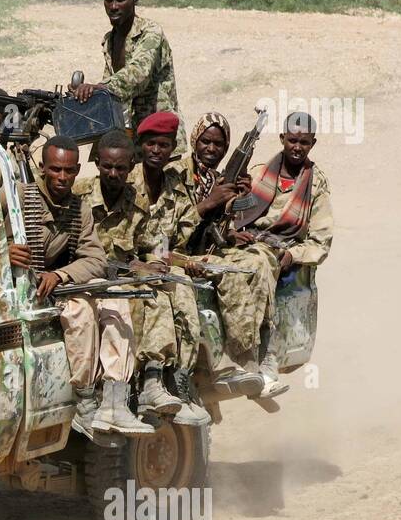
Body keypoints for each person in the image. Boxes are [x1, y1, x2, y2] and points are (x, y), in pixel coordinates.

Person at [7, 135, 150, 437]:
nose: (62, 177)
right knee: (81, 310)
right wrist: (1, 250)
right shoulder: (19, 198)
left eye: (69, 171)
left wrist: (60, 275)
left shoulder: (78, 209)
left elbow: (96, 259)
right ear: (43, 168)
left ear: (78, 170)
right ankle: (86, 401)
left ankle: (115, 399)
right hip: (18, 294)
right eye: (55, 170)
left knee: (115, 293)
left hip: (54, 288)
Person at [233, 110, 334, 392]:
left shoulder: (316, 185)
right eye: (292, 140)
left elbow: (321, 241)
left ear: (312, 144)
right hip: (247, 243)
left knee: (260, 268)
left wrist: (293, 256)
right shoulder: (258, 174)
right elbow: (236, 214)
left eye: (304, 142)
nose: (297, 147)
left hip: (281, 251)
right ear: (282, 139)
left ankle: (267, 357)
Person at [183, 112, 278, 397]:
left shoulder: (217, 176)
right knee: (232, 276)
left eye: (219, 145)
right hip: (182, 250)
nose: (211, 149)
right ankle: (235, 357)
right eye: (205, 142)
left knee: (259, 262)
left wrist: (236, 200)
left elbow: (219, 224)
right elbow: (177, 221)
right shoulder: (181, 175)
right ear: (194, 141)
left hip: (212, 247)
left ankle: (262, 351)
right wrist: (212, 201)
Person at [126, 111, 211, 426]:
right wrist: (148, 260)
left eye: (163, 145)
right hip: (126, 262)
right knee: (156, 290)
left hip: (159, 262)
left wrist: (176, 259)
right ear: (141, 145)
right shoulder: (127, 179)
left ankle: (181, 380)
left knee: (184, 290)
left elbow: (180, 231)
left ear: (172, 146)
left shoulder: (174, 184)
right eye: (150, 144)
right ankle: (152, 379)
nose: (156, 151)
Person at [72, 0, 184, 158]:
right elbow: (112, 97)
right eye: (109, 0)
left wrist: (99, 88)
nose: (113, 6)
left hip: (158, 142)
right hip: (127, 143)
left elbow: (139, 73)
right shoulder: (109, 40)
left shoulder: (151, 33)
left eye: (121, 0)